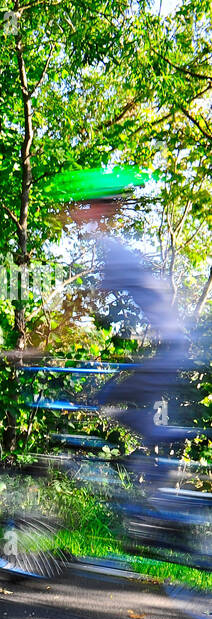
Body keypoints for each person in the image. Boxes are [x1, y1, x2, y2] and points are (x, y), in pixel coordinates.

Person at [48, 166, 191, 479]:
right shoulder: (114, 247)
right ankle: (160, 505)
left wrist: (43, 341)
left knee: (105, 399)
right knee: (129, 410)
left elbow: (85, 304)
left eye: (83, 208)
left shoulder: (113, 249)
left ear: (99, 209)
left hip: (169, 351)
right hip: (172, 349)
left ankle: (161, 440)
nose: (76, 216)